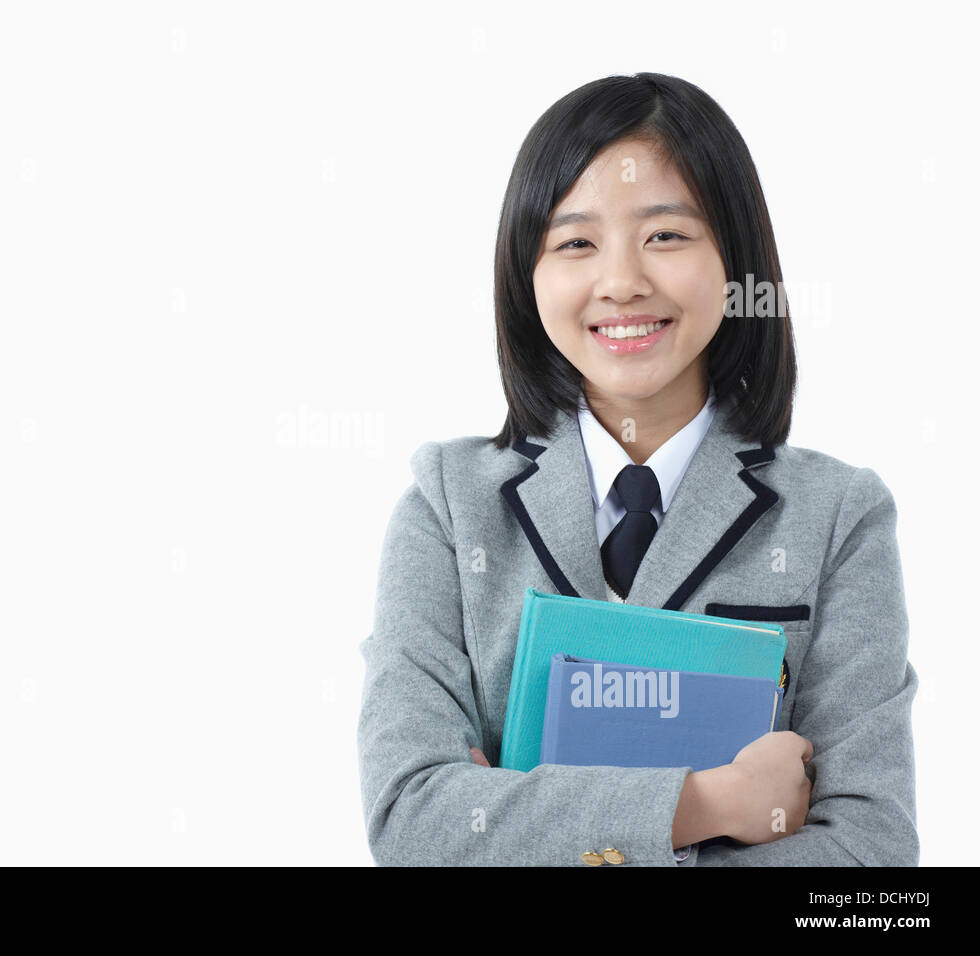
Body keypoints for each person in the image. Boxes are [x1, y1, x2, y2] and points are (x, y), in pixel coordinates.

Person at [355, 73, 918, 866]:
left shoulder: (836, 517)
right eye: (575, 242)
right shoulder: (447, 510)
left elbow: (868, 857)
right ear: (529, 276)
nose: (621, 282)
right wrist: (707, 804)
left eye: (665, 236)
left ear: (735, 259)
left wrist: (523, 817)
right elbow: (414, 823)